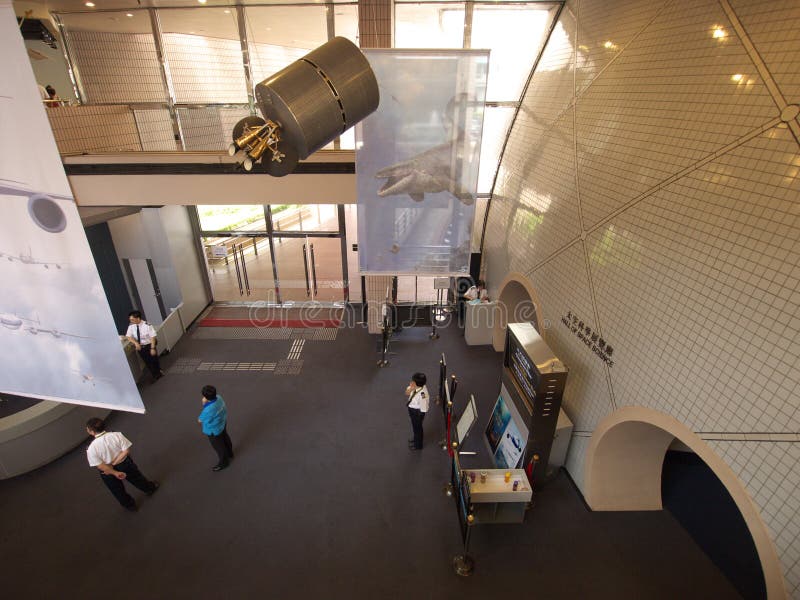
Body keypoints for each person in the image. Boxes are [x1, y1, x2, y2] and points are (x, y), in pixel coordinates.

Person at [85, 417, 159, 512]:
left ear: (91, 431)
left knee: (117, 490)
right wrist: (115, 462)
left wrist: (113, 471)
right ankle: (149, 488)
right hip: (124, 463)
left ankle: (130, 506)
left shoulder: (91, 448)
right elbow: (126, 451)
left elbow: (100, 465)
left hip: (107, 471)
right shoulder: (116, 435)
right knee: (137, 478)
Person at [199, 385, 234, 471]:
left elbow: (200, 420)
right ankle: (230, 453)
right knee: (225, 438)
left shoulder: (208, 410)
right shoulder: (219, 398)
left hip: (213, 431)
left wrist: (204, 404)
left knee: (219, 446)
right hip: (222, 423)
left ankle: (224, 462)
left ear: (206, 397)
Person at [125, 310, 163, 381]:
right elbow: (128, 336)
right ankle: (156, 373)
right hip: (141, 347)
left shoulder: (147, 325)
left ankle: (157, 374)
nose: (131, 321)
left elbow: (152, 337)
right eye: (130, 319)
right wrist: (136, 343)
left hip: (149, 344)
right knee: (147, 361)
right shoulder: (131, 326)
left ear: (138, 318)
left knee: (154, 360)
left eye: (132, 319)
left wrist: (152, 348)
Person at [405, 372, 429, 451]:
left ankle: (418, 445)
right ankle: (416, 439)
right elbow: (407, 393)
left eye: (413, 381)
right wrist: (411, 388)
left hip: (417, 412)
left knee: (418, 429)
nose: (411, 382)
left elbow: (424, 407)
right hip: (412, 409)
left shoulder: (422, 394)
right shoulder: (414, 386)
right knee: (415, 427)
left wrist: (419, 416)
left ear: (417, 384)